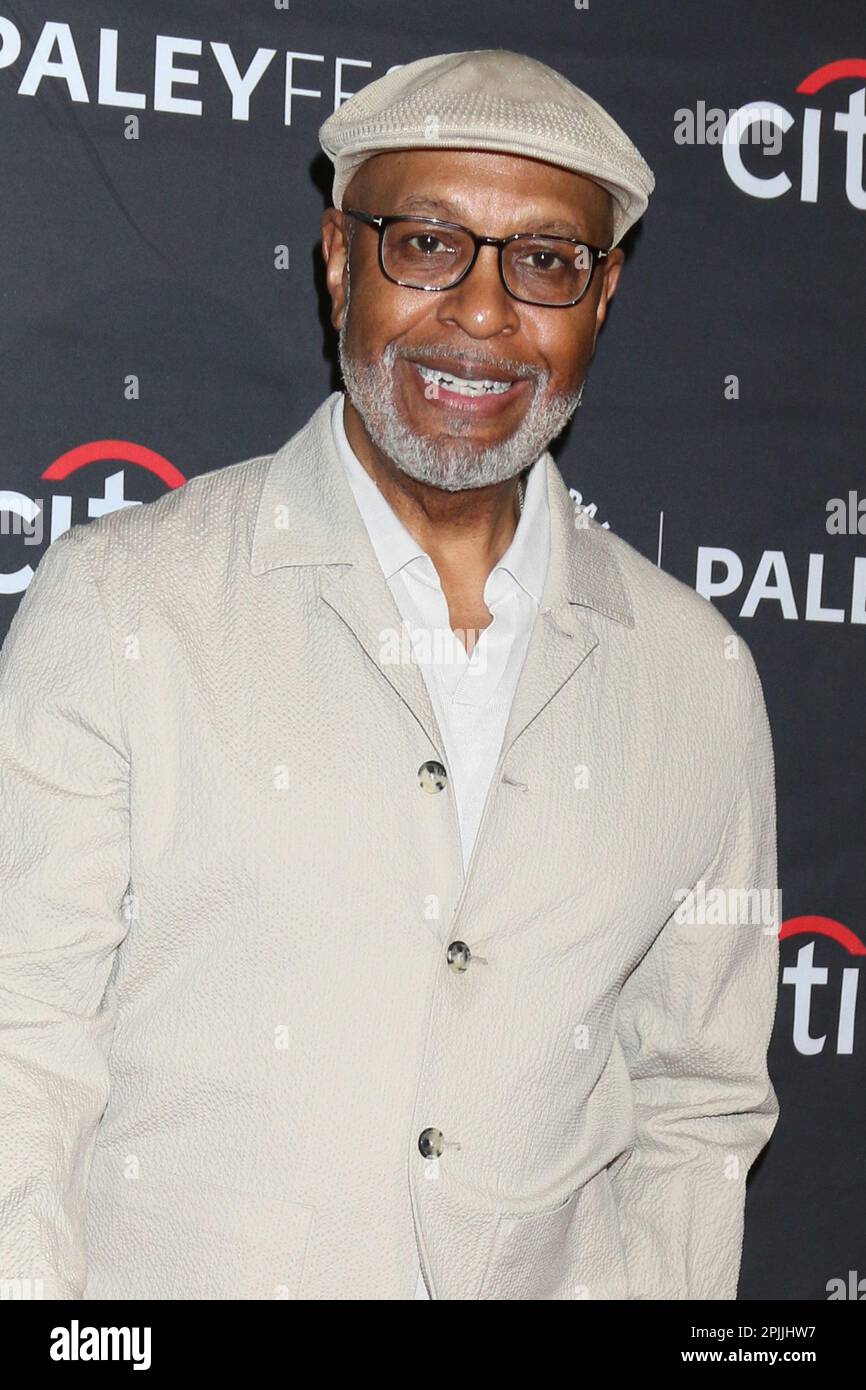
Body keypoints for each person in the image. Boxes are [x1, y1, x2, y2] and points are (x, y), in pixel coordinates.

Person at [0, 48, 780, 1301]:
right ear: (334, 259)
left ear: (603, 292)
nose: (481, 314)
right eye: (426, 244)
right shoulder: (123, 604)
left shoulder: (697, 675)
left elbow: (696, 1101)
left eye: (543, 262)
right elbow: (19, 1044)